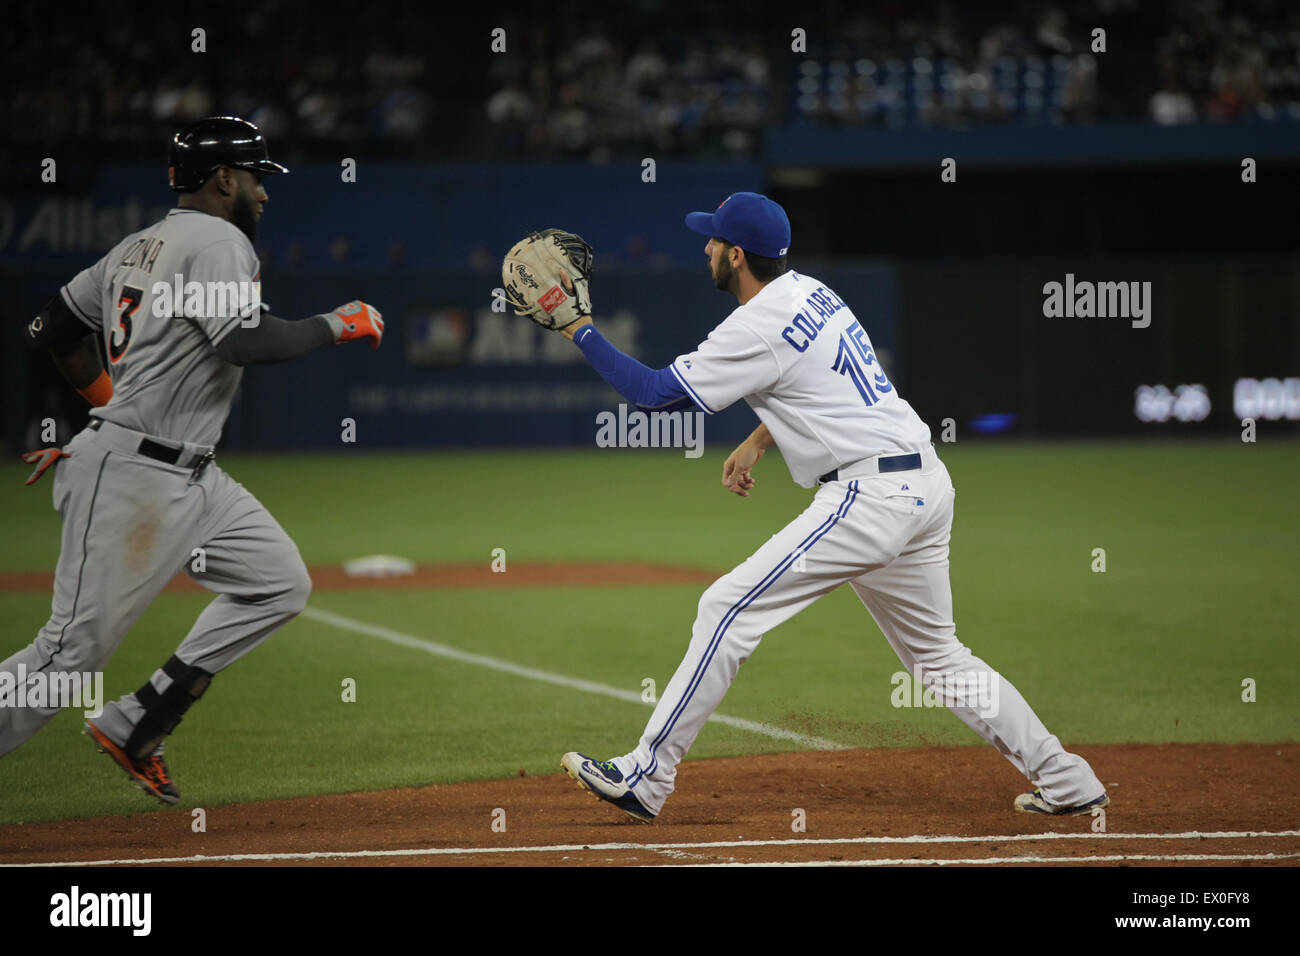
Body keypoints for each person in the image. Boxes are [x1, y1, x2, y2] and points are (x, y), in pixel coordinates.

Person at [559, 192, 1108, 821]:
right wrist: (761, 440)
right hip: (924, 481)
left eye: (713, 240)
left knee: (726, 607)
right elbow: (826, 384)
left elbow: (656, 394)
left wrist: (579, 328)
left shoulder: (755, 324)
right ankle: (1067, 779)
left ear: (737, 256)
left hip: (870, 496)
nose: (705, 246)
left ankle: (646, 777)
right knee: (940, 657)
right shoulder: (814, 291)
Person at [0, 116, 385, 804]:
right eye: (258, 178)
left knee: (278, 581)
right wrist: (338, 323)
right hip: (134, 479)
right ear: (224, 179)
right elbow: (243, 343)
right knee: (66, 660)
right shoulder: (218, 239)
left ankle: (139, 722)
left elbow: (51, 330)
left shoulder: (138, 245)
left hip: (190, 476)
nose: (264, 194)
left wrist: (108, 405)